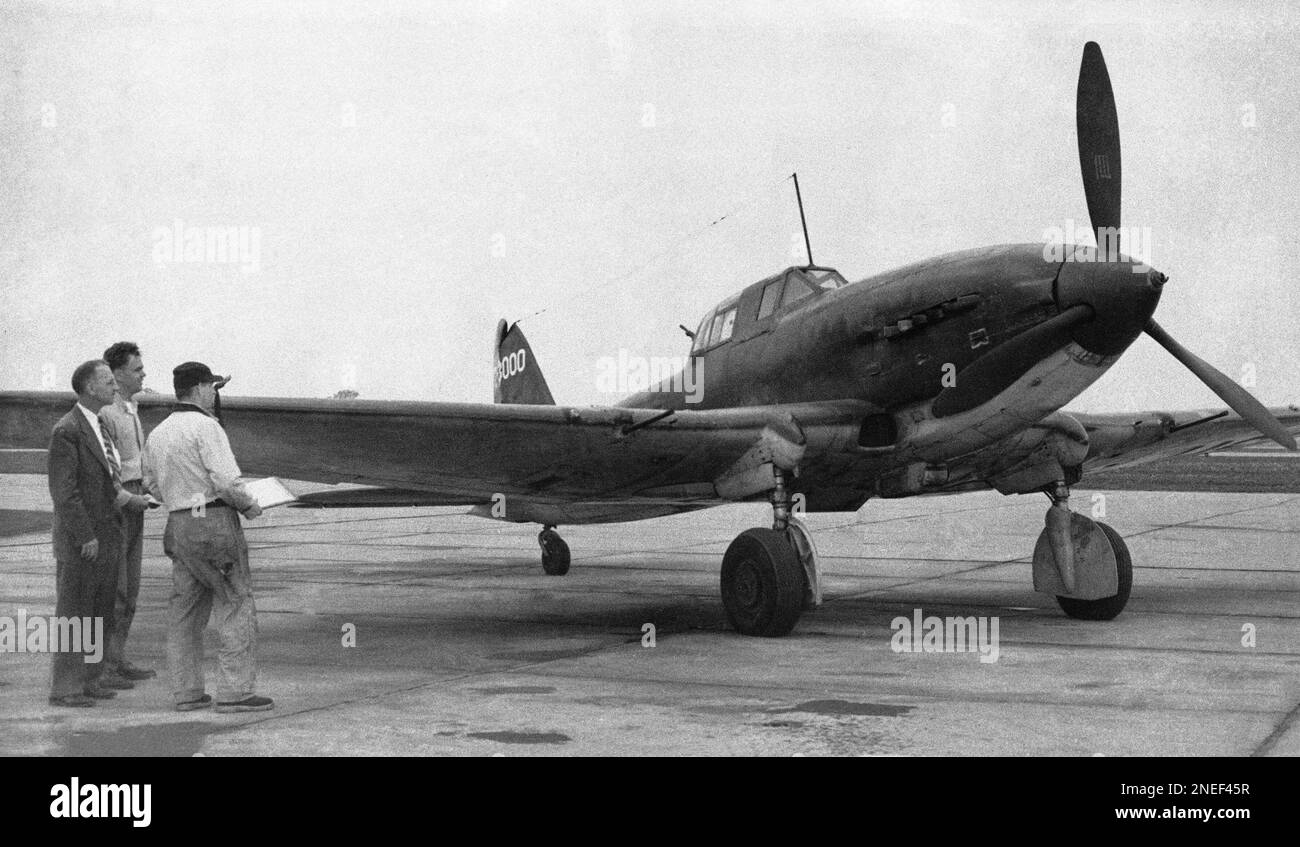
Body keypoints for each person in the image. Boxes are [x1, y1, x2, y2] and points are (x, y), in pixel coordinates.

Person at [142, 361, 271, 714]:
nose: (214, 394)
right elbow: (227, 482)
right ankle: (235, 692)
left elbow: (150, 484)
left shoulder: (158, 432)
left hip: (179, 523)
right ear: (200, 389)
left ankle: (186, 692)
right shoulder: (206, 427)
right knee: (235, 602)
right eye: (211, 388)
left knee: (185, 610)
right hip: (212, 521)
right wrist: (249, 505)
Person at [47, 360, 150, 707]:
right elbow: (65, 493)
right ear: (89, 388)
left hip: (107, 536)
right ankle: (65, 688)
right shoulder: (68, 429)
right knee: (74, 612)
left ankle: (90, 679)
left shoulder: (99, 426)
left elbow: (109, 484)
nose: (114, 387)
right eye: (107, 381)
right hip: (84, 541)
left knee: (99, 610)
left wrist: (134, 502)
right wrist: (84, 536)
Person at [99, 341, 157, 686]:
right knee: (114, 589)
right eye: (137, 369)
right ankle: (102, 667)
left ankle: (117, 658)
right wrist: (128, 498)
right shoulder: (107, 413)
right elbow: (106, 472)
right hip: (117, 504)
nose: (143, 374)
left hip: (137, 499)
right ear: (117, 374)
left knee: (130, 589)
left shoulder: (131, 409)